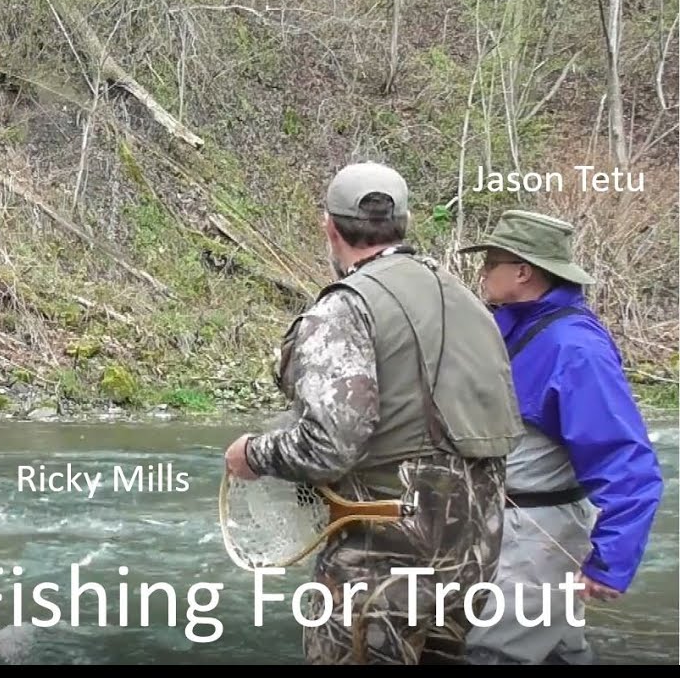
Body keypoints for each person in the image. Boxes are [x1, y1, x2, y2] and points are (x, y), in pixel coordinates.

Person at [223, 162, 527, 665]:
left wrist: (252, 454)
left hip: (382, 558)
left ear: (329, 226)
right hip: (474, 555)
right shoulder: (469, 302)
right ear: (404, 223)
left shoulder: (346, 307)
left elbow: (327, 445)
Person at [457, 209, 664, 665]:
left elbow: (626, 458)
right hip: (522, 531)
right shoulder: (517, 329)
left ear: (523, 272)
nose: (482, 272)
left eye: (490, 262)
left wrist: (610, 560)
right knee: (560, 654)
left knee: (490, 654)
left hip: (537, 538)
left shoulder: (575, 348)